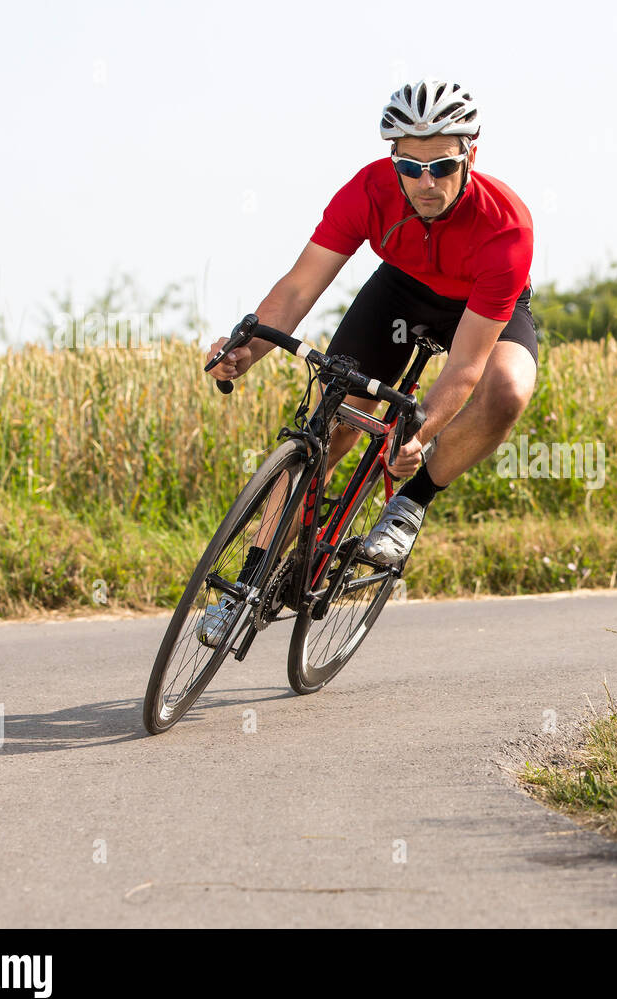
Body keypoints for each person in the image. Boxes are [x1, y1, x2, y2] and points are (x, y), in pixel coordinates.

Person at [199, 80, 535, 645]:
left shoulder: (506, 227)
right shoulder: (367, 191)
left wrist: (419, 433)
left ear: (471, 154)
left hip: (478, 308)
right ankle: (249, 581)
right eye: (410, 167)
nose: (425, 183)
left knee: (507, 389)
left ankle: (409, 504)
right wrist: (247, 349)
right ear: (392, 159)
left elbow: (465, 367)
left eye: (443, 165)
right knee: (329, 426)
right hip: (400, 292)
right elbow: (300, 287)